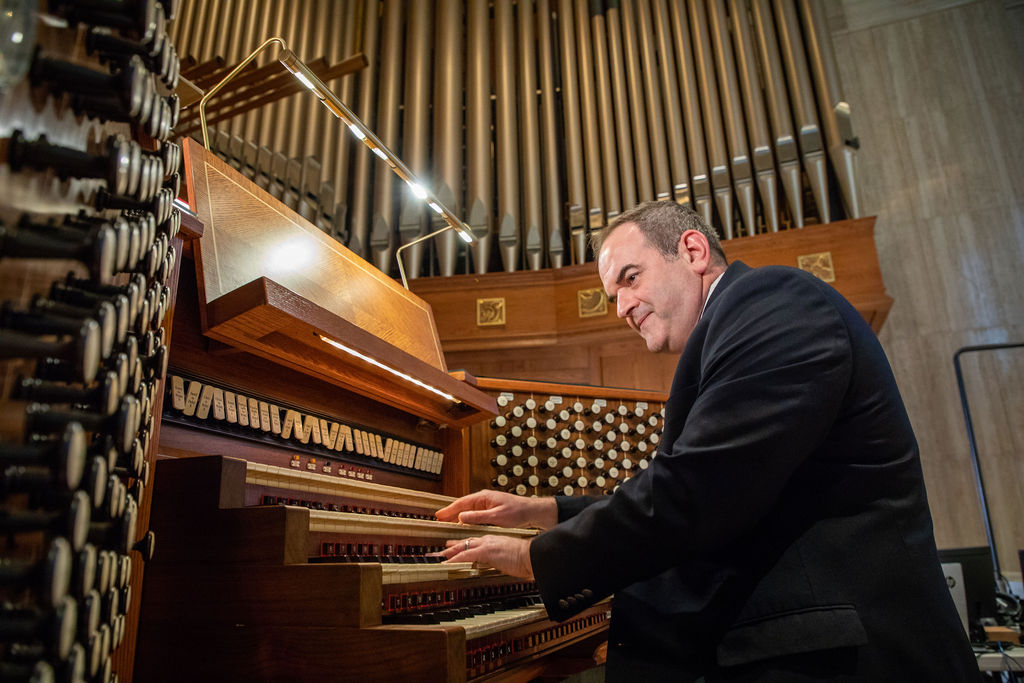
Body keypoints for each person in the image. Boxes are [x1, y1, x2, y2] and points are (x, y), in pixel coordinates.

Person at [436, 201, 978, 681]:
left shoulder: (774, 301)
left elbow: (702, 489)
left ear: (692, 249)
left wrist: (540, 558)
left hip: (841, 657)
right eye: (612, 295)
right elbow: (718, 485)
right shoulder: (734, 325)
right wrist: (548, 509)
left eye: (630, 278)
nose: (622, 307)